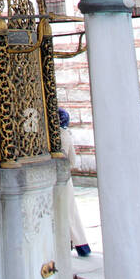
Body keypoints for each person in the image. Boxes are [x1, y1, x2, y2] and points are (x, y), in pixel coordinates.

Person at [59, 108, 91, 257]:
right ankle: (81, 245)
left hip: (58, 180)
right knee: (71, 213)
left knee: (63, 213)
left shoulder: (54, 136)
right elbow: (72, 161)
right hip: (66, 178)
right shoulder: (66, 135)